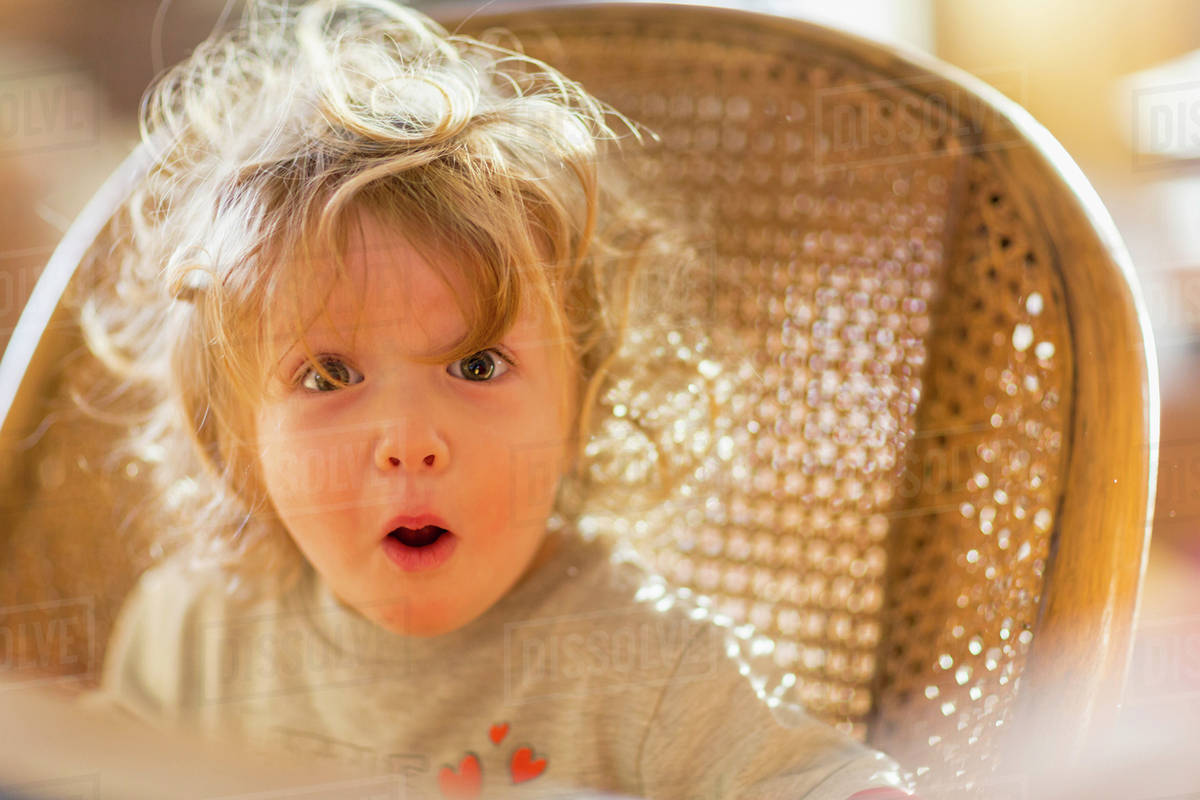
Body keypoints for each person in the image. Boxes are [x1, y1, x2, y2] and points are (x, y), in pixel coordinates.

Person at [74, 1, 916, 797]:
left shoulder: (652, 671)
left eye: (476, 366)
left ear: (581, 410)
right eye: (328, 376)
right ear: (237, 439)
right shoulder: (194, 636)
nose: (409, 440)